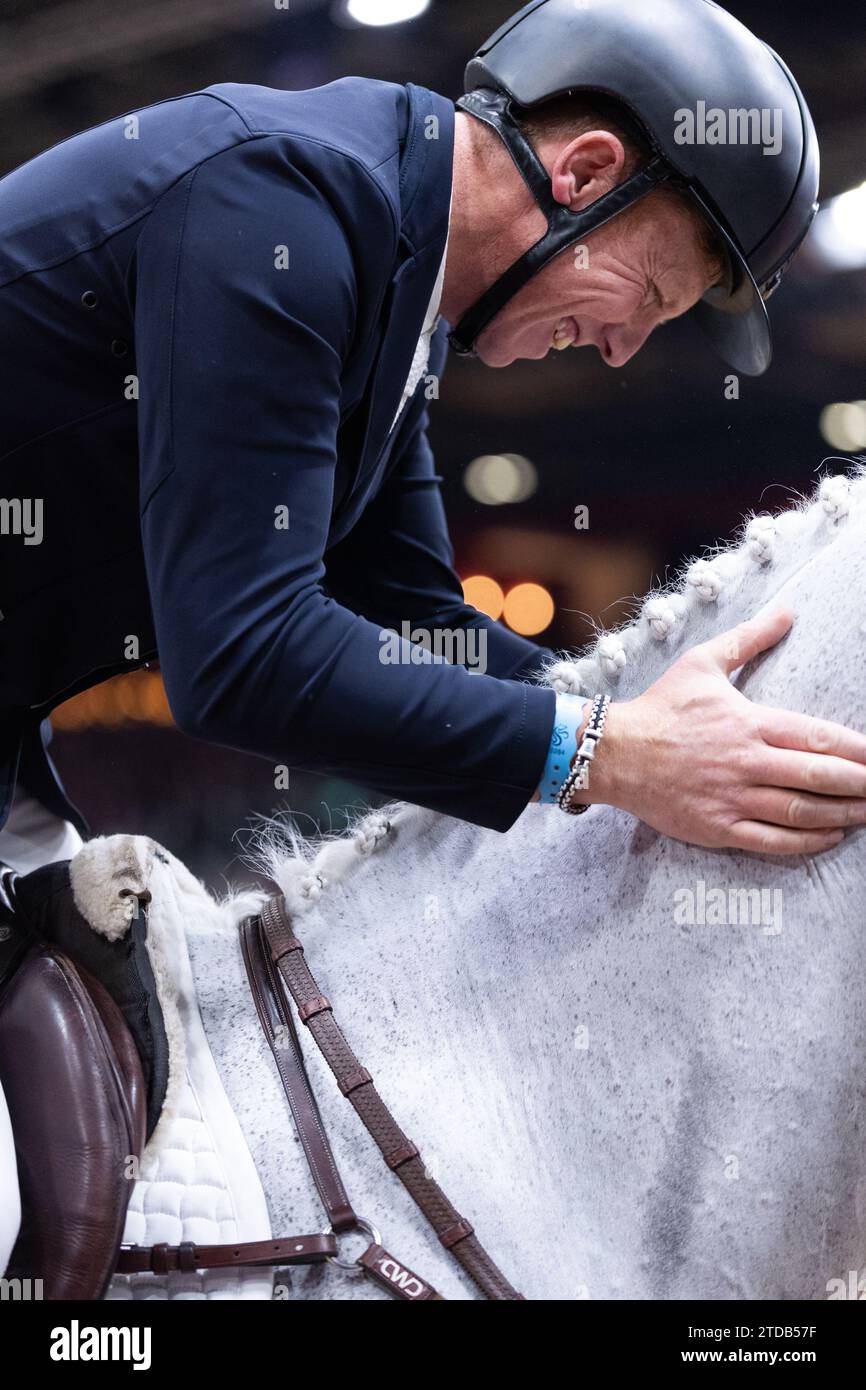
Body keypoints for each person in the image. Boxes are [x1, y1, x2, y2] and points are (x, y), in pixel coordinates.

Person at [0, 0, 862, 882]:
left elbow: (409, 613)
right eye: (647, 293)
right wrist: (616, 752)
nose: (621, 350)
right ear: (589, 174)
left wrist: (644, 711)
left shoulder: (399, 285)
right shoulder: (276, 203)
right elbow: (242, 651)